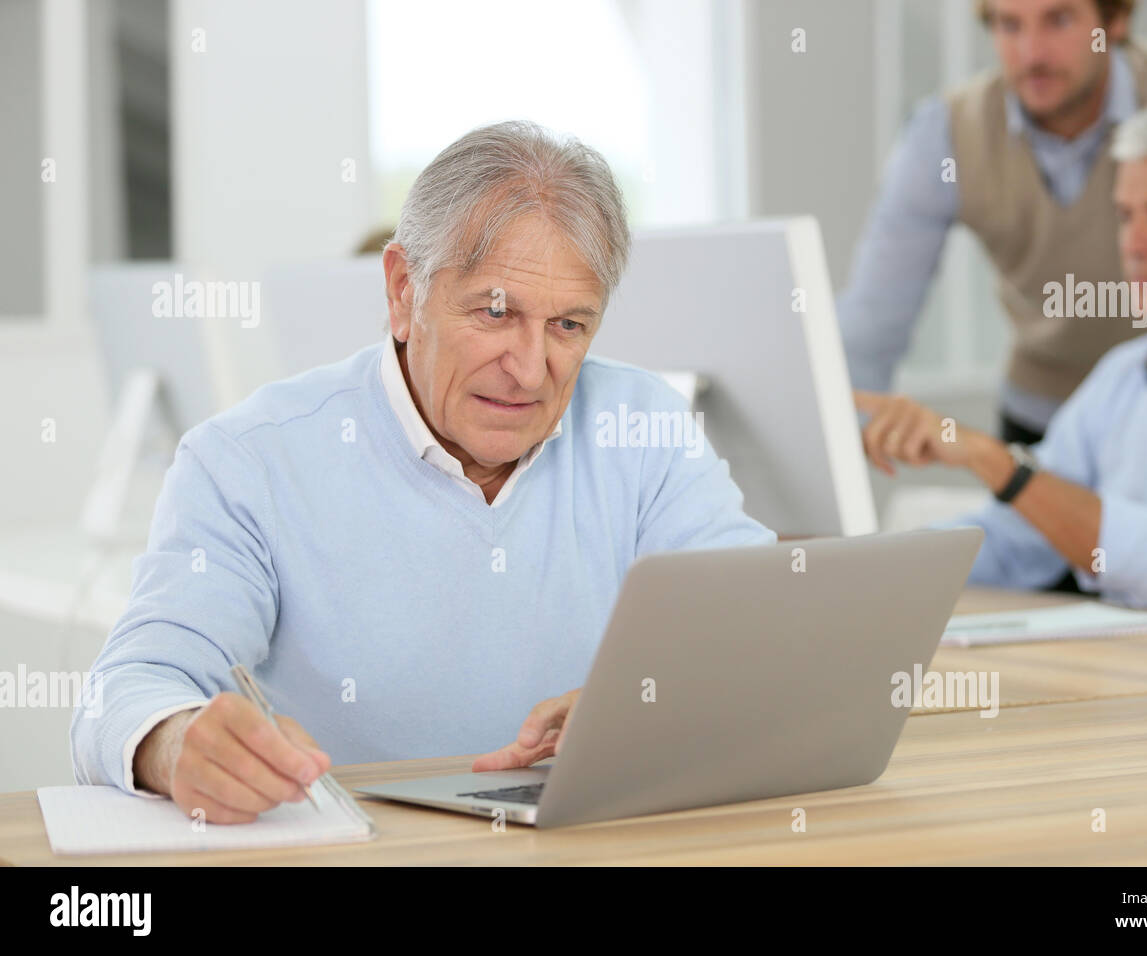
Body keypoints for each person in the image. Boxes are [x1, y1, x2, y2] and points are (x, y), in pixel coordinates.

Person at [70, 121, 773, 822]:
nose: (531, 369)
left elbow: (762, 631)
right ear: (404, 290)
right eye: (496, 313)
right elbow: (131, 684)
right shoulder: (247, 459)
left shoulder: (643, 425)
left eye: (569, 326)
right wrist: (176, 742)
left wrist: (660, 701)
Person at [856, 92, 1147, 620]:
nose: (1134, 244)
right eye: (1125, 216)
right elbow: (1018, 541)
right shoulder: (1123, 377)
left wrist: (992, 459)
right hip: (1141, 683)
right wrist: (861, 571)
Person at [837, 0, 1147, 446]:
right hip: (1043, 417)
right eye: (1009, 25)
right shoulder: (945, 135)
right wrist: (839, 464)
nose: (1032, 53)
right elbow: (873, 323)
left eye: (1058, 20)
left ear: (1113, 19)